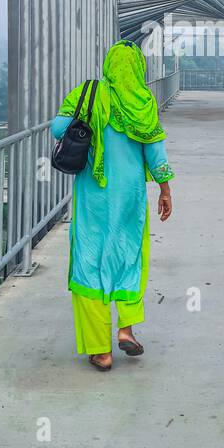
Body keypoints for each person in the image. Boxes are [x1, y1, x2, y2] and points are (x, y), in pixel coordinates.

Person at [51, 41, 174, 371]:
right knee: (129, 255)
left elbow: (58, 129)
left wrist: (88, 117)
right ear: (136, 67)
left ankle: (100, 351)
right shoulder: (143, 102)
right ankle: (126, 329)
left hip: (93, 197)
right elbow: (156, 155)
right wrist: (165, 191)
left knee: (89, 261)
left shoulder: (88, 93)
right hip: (130, 198)